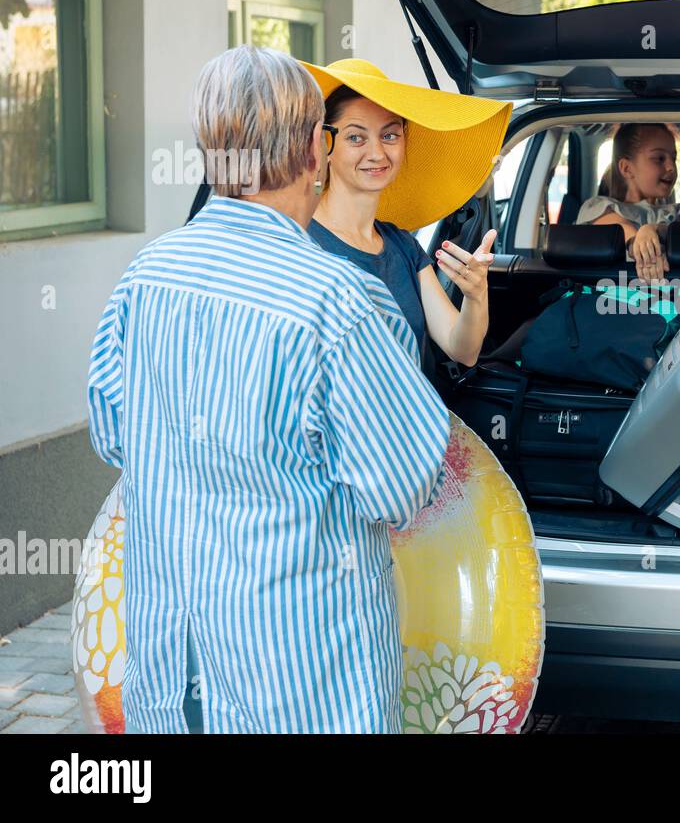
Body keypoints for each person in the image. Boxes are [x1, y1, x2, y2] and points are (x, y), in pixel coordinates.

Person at [86, 46, 451, 733]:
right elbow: (401, 487)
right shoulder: (340, 300)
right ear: (317, 149)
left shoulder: (147, 274)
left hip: (172, 667)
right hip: (304, 678)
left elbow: (113, 434)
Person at [301, 58, 512, 366]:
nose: (377, 153)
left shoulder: (403, 247)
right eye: (356, 137)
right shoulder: (299, 241)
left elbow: (463, 351)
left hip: (413, 415)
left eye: (389, 135)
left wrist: (476, 295)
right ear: (324, 144)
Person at [576, 122, 680, 280]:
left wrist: (654, 230)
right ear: (627, 168)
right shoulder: (599, 207)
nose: (671, 167)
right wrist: (639, 243)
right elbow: (621, 232)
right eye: (659, 158)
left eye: (673, 158)